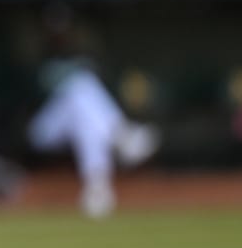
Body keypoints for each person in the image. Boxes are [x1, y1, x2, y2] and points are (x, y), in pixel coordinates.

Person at [28, 56, 159, 219]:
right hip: (42, 130)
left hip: (74, 121)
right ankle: (121, 135)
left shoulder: (77, 59)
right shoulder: (38, 61)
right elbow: (43, 82)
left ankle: (98, 187)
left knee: (85, 119)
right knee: (80, 90)